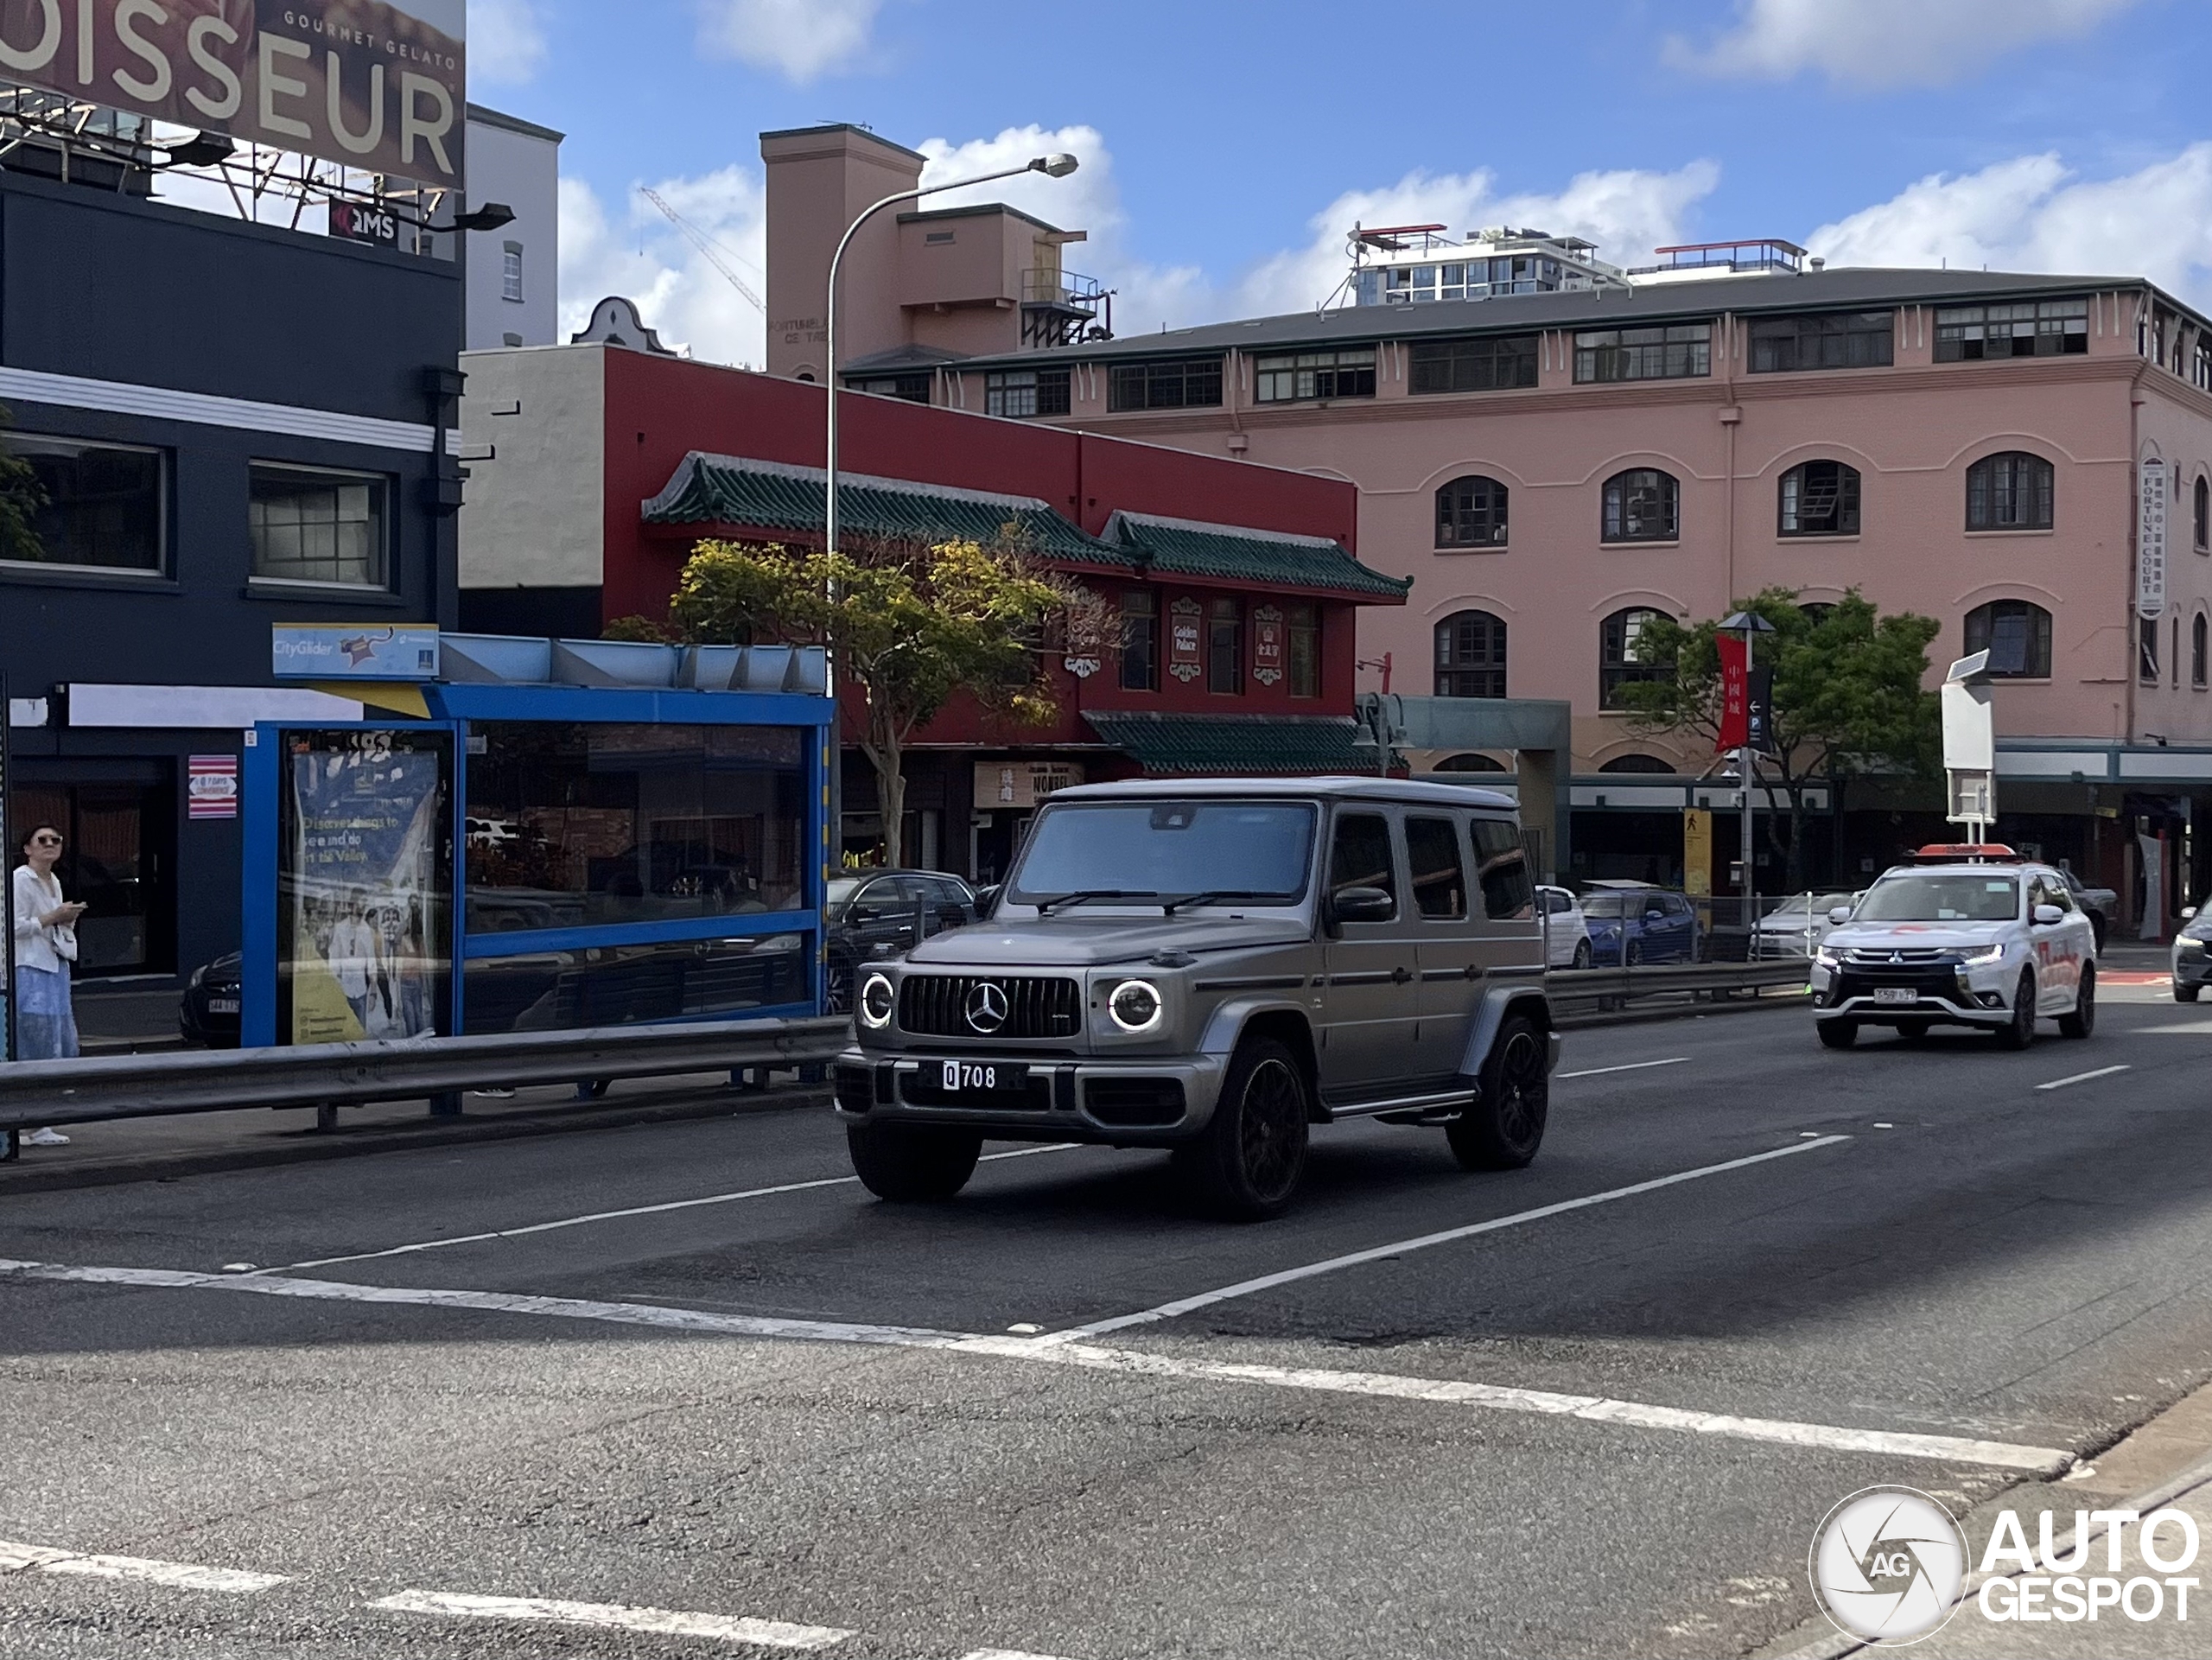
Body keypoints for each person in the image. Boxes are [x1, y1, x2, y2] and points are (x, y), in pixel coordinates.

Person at [10, 823, 86, 1146]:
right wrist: (52, 917)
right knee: (33, 1041)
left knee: (57, 1041)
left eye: (56, 839)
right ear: (27, 848)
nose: (50, 844)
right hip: (30, 968)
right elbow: (12, 927)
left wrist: (64, 918)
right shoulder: (20, 879)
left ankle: (40, 1121)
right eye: (42, 840)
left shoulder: (52, 880)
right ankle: (26, 1122)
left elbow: (47, 922)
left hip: (53, 964)